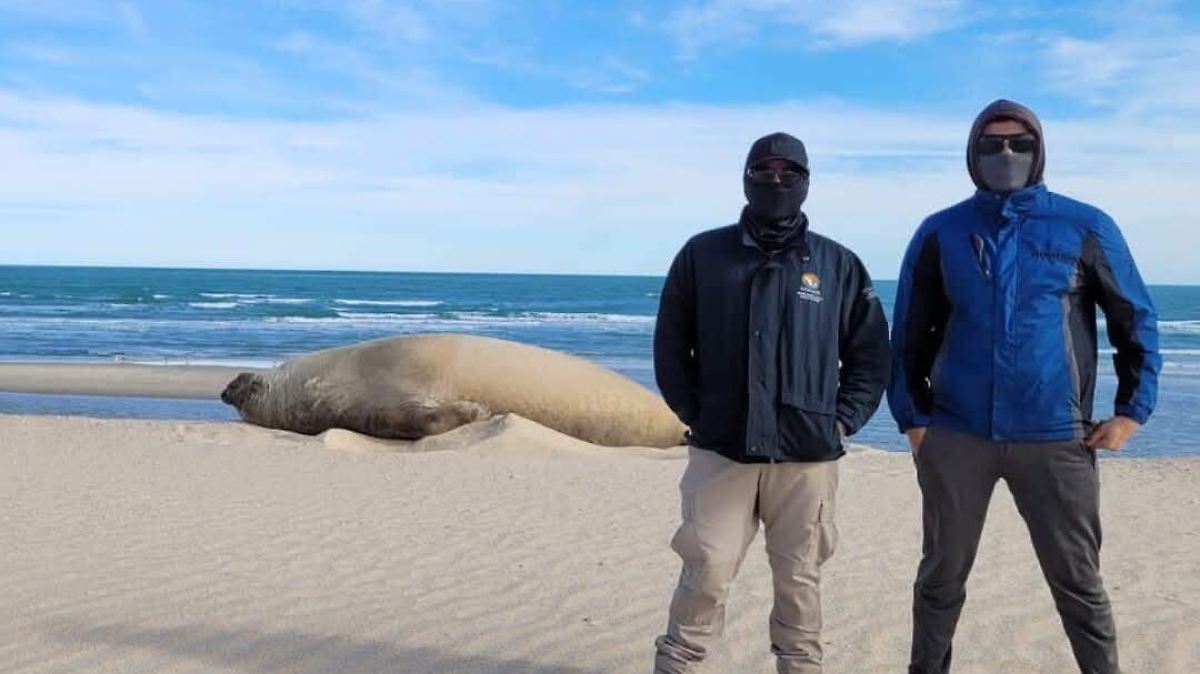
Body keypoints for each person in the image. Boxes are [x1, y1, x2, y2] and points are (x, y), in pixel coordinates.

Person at [889, 99, 1161, 674]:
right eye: (992, 144)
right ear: (973, 153)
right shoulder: (942, 231)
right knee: (940, 579)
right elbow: (909, 333)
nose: (1006, 154)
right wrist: (914, 420)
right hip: (959, 435)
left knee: (1079, 583)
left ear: (1039, 151)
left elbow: (1134, 317)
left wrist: (1132, 411)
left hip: (1058, 438)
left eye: (1019, 143)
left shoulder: (1084, 225)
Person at [652, 131, 891, 674]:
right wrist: (697, 413)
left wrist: (843, 419)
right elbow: (671, 344)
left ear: (807, 183)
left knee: (800, 577)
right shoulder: (702, 255)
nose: (776, 182)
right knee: (706, 566)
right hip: (721, 452)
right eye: (764, 171)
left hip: (807, 458)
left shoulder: (838, 265)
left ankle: (800, 666)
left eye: (789, 173)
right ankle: (679, 664)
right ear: (745, 178)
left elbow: (872, 355)